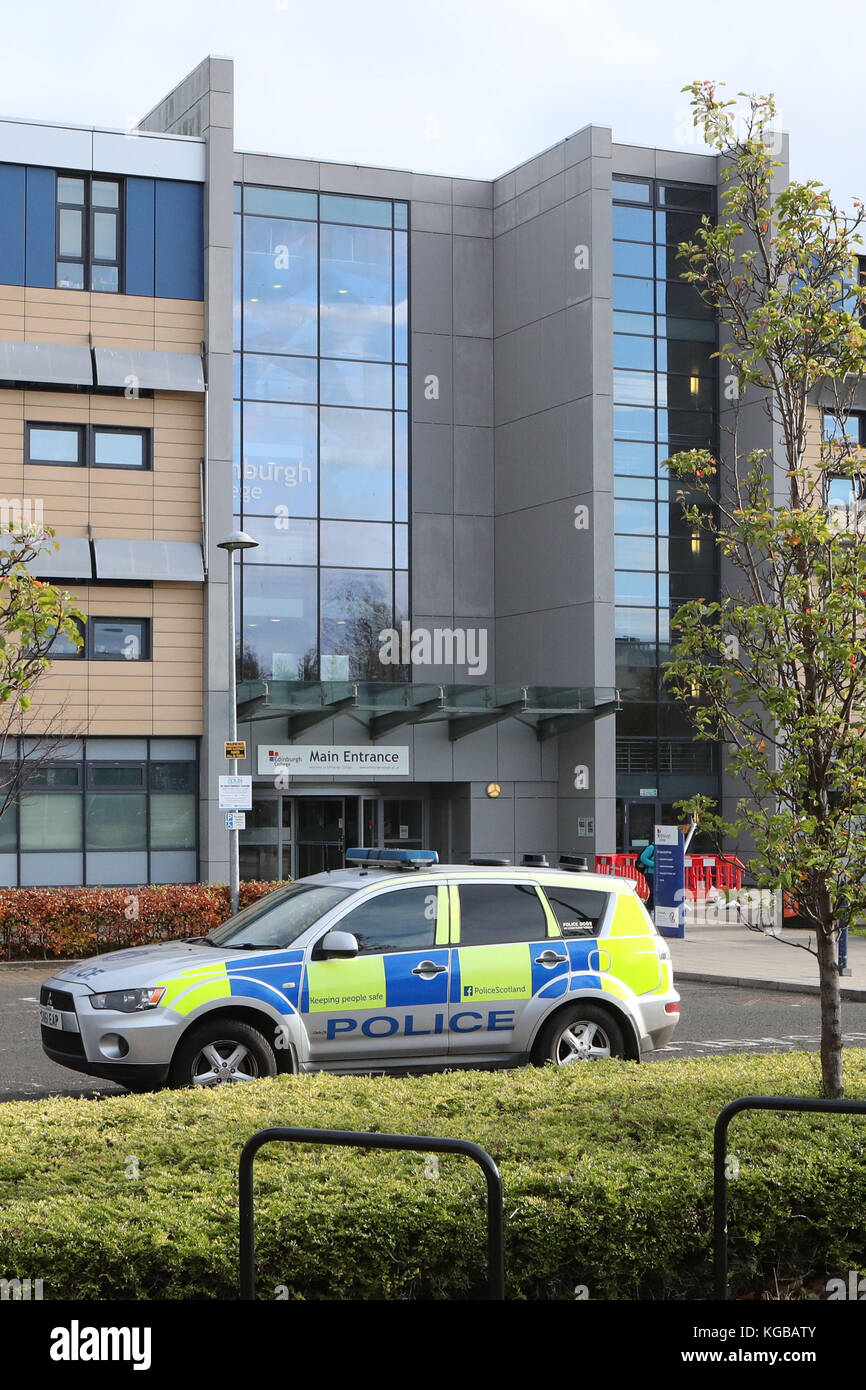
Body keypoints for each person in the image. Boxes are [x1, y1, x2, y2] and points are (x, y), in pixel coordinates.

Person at [637, 842, 655, 911]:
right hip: (650, 873)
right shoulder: (652, 847)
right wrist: (654, 864)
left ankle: (649, 908)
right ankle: (649, 908)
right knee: (654, 891)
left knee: (654, 892)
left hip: (657, 873)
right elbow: (643, 858)